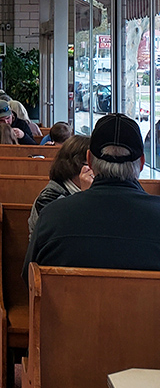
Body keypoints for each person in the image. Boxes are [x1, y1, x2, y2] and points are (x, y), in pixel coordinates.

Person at [23, 113, 160, 282]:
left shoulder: (52, 216)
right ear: (141, 163)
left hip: (70, 308)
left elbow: (29, 278)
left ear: (90, 160)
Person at [27, 135, 93, 236]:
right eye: (93, 164)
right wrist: (87, 197)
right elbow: (71, 237)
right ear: (77, 165)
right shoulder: (48, 198)